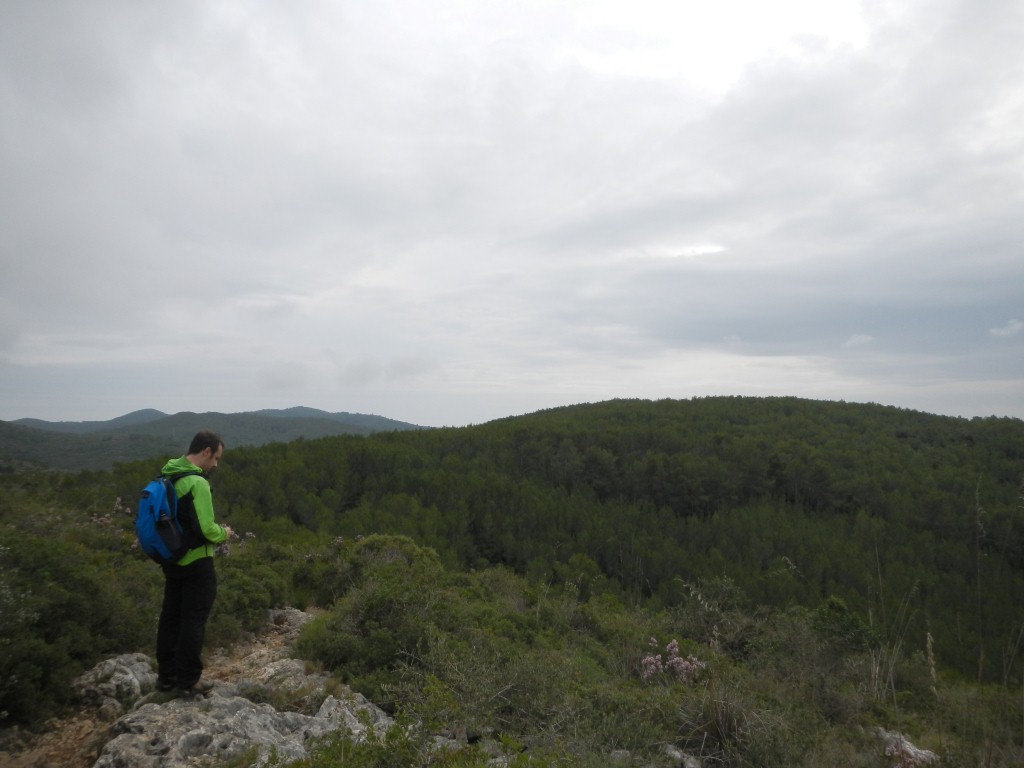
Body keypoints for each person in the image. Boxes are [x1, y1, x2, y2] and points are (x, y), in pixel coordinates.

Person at [155, 430, 233, 697]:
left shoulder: (169, 474)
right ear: (206, 451)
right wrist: (225, 533)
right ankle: (187, 682)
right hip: (196, 562)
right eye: (216, 458)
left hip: (172, 558)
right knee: (193, 620)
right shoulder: (197, 483)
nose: (216, 465)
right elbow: (205, 529)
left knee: (171, 617)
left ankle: (166, 677)